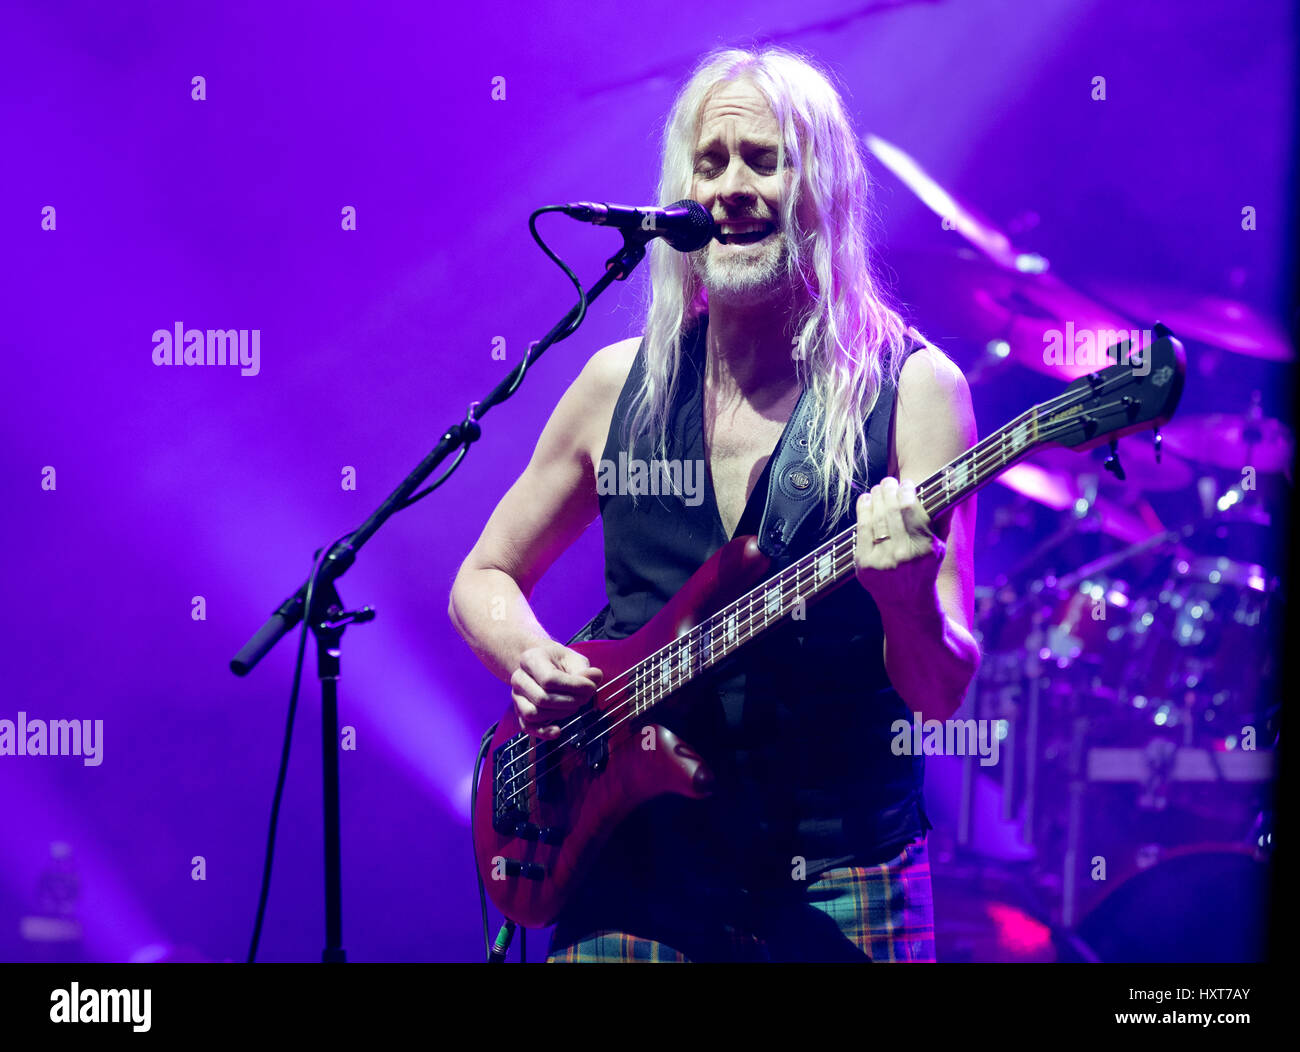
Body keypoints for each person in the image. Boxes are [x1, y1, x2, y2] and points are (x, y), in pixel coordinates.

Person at [449, 45, 979, 962]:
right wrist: (530, 657)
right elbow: (483, 577)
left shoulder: (917, 392)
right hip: (632, 863)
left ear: (825, 191)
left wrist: (903, 598)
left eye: (764, 161)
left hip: (842, 870)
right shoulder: (619, 385)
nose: (732, 186)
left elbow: (940, 692)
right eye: (711, 162)